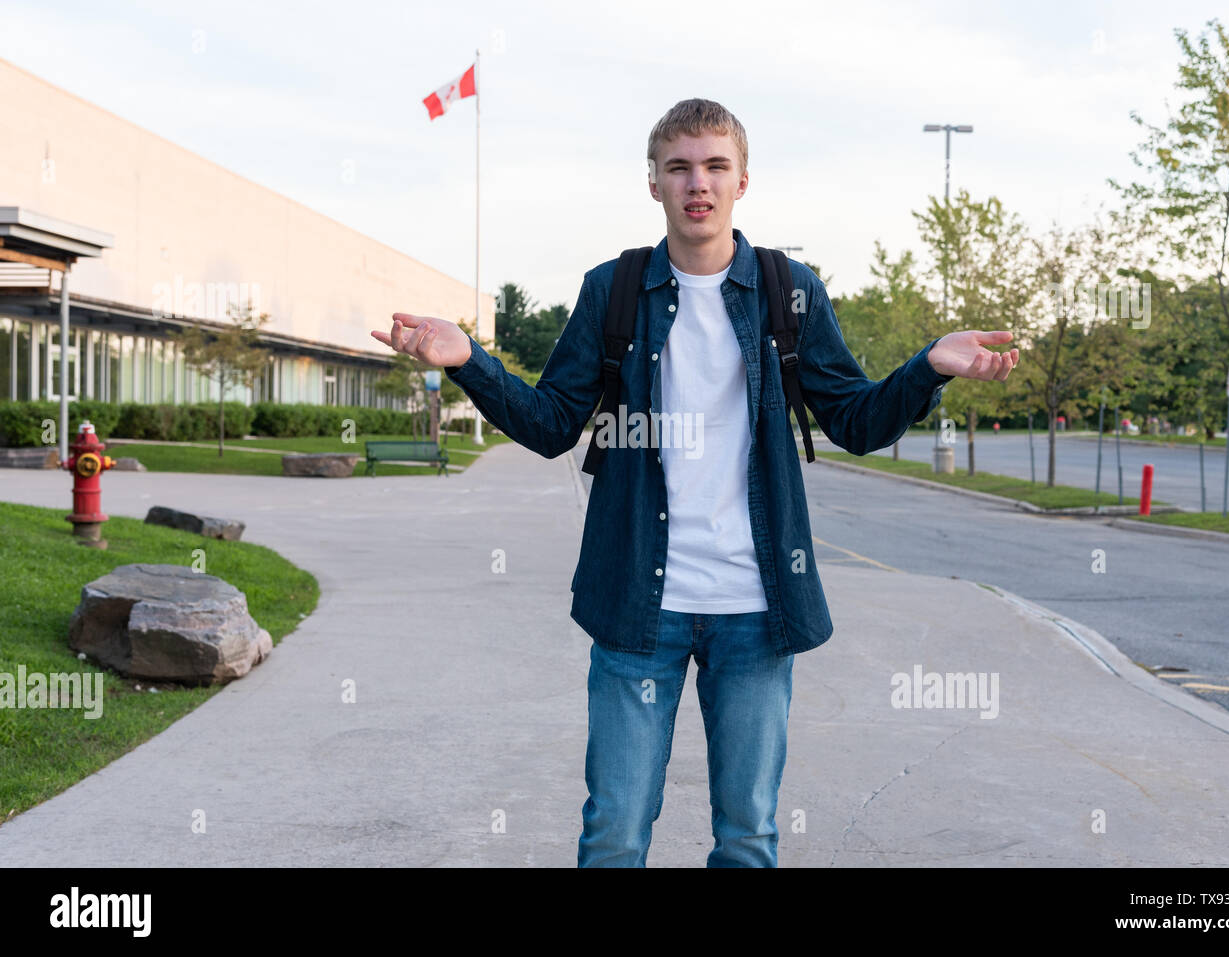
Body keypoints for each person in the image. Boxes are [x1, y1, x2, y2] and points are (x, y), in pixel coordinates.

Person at [371, 98, 1019, 867]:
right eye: (679, 167)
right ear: (654, 183)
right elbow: (550, 423)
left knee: (747, 838)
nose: (697, 183)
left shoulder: (790, 290)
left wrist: (926, 368)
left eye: (715, 165)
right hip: (635, 606)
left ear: (743, 179)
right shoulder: (613, 290)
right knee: (613, 835)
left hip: (755, 608)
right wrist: (469, 359)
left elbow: (855, 420)